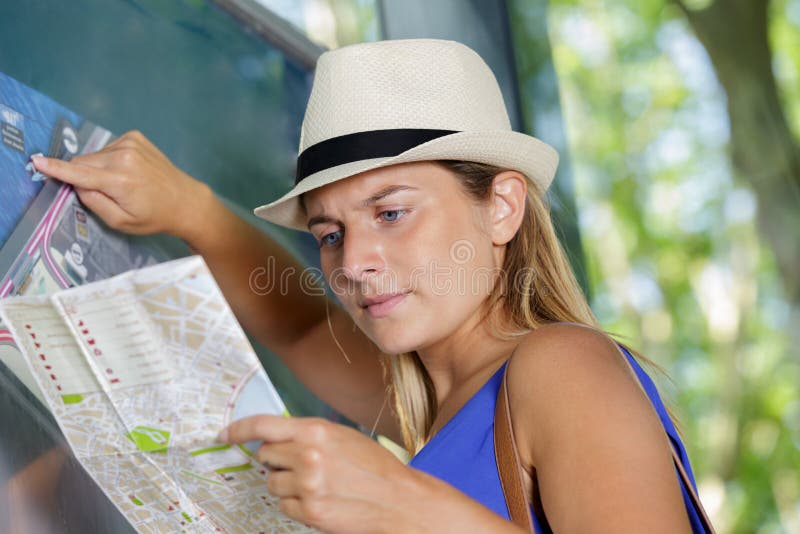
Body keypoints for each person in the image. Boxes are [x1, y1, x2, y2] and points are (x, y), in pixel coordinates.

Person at [31, 38, 711, 532]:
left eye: (391, 213)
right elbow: (302, 326)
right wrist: (190, 209)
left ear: (501, 207)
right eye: (329, 234)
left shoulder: (562, 365)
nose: (353, 262)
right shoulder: (433, 401)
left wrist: (400, 503)